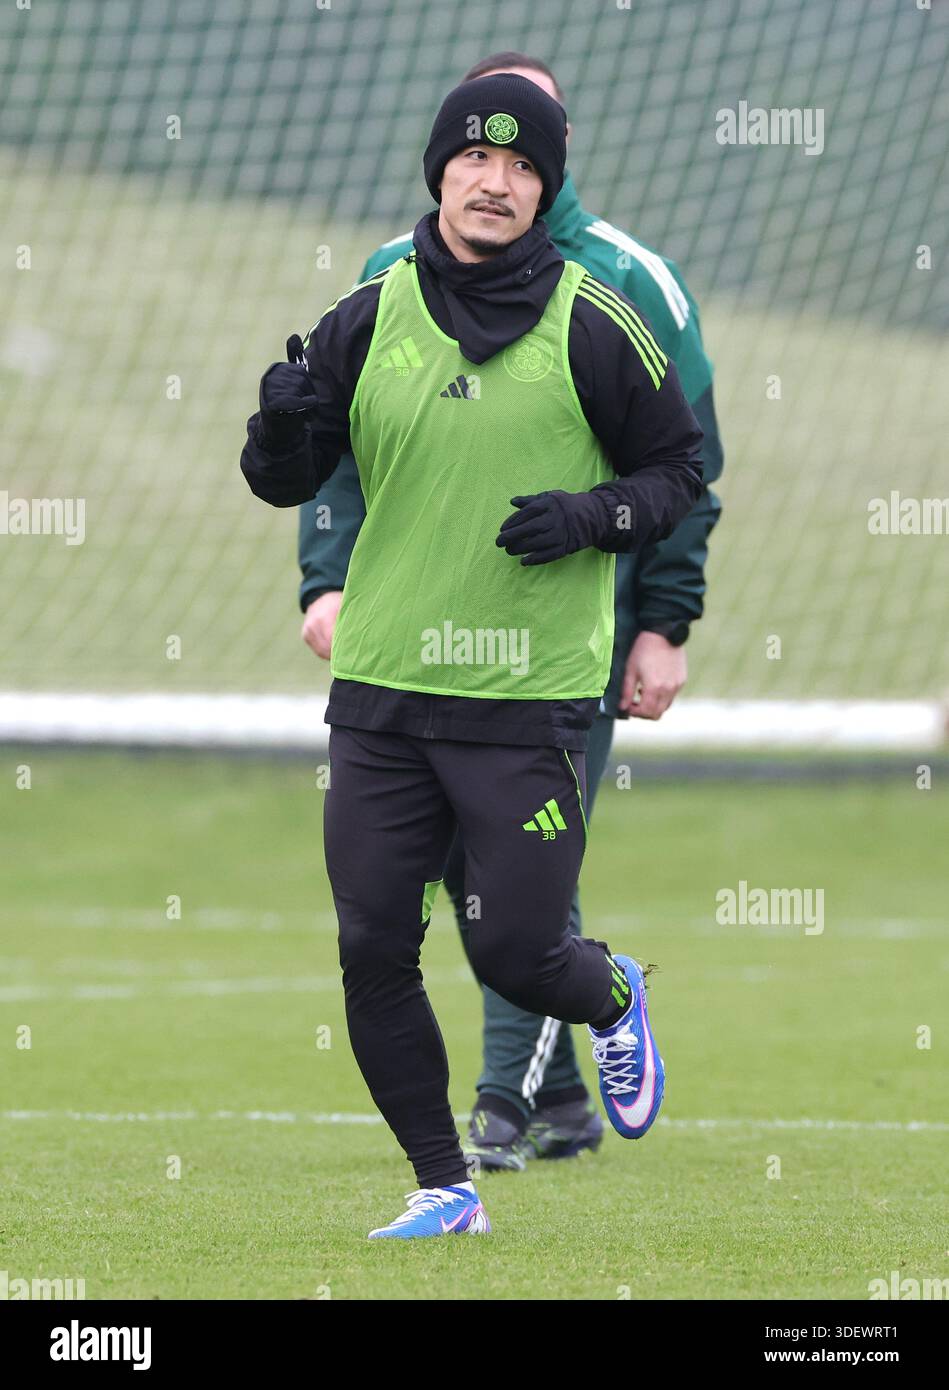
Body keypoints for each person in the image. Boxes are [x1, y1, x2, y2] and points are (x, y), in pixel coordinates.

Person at [241, 72, 704, 1239]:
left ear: (545, 187)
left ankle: (613, 991)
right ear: (440, 170)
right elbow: (287, 479)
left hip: (526, 696)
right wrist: (279, 421)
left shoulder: (596, 320)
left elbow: (676, 474)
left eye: (520, 165)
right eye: (473, 159)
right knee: (370, 942)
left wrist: (588, 520)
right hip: (384, 693)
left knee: (513, 945)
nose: (493, 181)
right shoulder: (370, 308)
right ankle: (444, 1185)